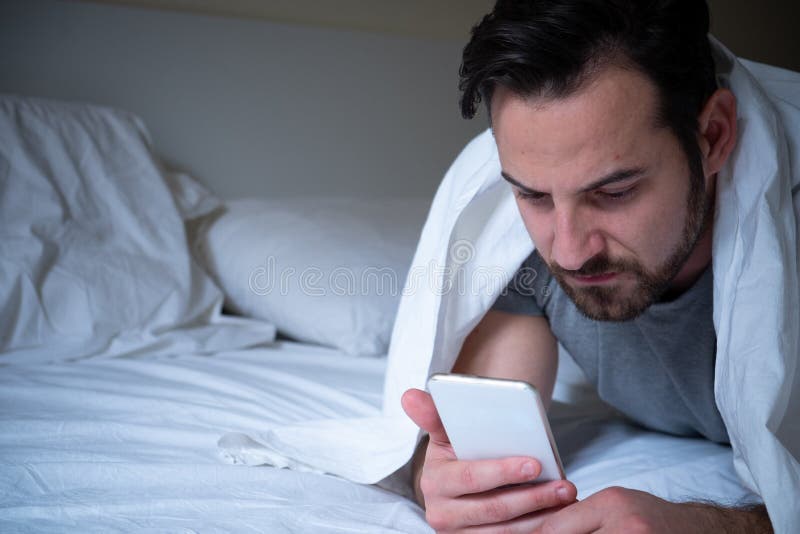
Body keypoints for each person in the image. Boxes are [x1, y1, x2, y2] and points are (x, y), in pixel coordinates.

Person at [401, 1, 781, 532]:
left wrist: (717, 526)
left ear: (713, 136)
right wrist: (443, 479)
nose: (569, 251)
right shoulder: (515, 244)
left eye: (615, 192)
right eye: (532, 196)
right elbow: (481, 453)